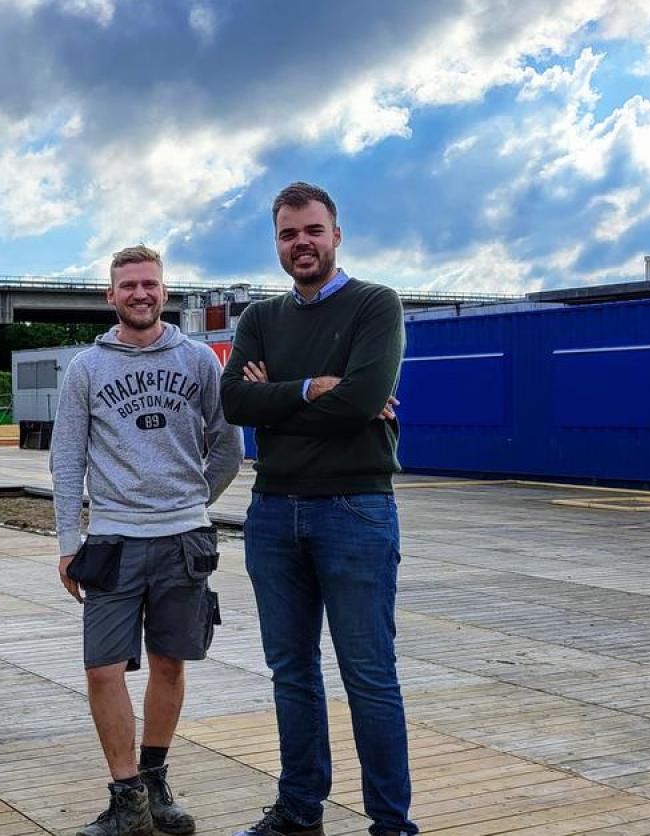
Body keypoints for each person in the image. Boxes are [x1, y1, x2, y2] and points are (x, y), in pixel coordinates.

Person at [221, 182, 417, 836]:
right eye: (287, 234)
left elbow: (362, 401)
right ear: (277, 242)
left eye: (312, 231)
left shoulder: (375, 304)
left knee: (368, 676)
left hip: (355, 510)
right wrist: (309, 389)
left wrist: (278, 399)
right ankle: (300, 812)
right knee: (292, 675)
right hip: (274, 514)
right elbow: (234, 405)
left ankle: (392, 826)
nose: (300, 243)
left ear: (336, 234)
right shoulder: (259, 320)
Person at [51, 244, 243, 836]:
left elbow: (229, 448)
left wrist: (189, 503)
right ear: (111, 296)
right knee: (103, 670)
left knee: (169, 664)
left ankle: (155, 783)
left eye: (149, 284)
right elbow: (66, 458)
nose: (140, 293)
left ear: (165, 292)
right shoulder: (87, 368)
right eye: (128, 285)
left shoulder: (199, 362)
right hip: (110, 540)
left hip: (184, 540)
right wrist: (67, 539)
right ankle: (125, 797)